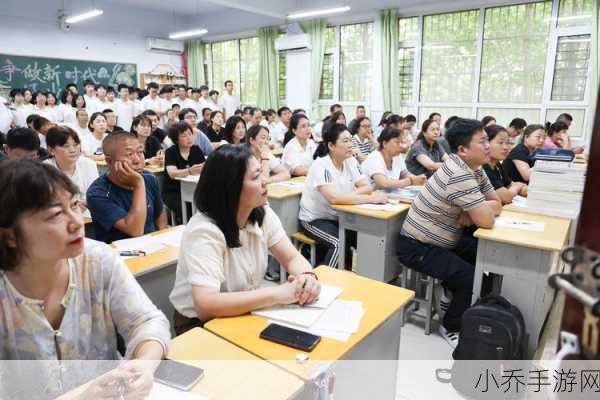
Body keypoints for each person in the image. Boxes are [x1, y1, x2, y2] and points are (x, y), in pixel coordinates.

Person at [0, 159, 170, 399]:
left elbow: (146, 321)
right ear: (9, 237)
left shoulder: (97, 259)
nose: (77, 222)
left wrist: (144, 363)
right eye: (56, 214)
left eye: (75, 205)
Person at [168, 145, 321, 333]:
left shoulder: (261, 212)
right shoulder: (204, 231)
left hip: (243, 311)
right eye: (256, 177)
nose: (265, 180)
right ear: (231, 187)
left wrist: (307, 278)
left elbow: (291, 258)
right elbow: (206, 306)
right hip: (198, 325)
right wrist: (276, 294)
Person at [397, 118, 502, 348]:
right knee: (469, 277)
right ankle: (451, 324)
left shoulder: (475, 168)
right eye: (482, 141)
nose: (488, 146)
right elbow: (486, 220)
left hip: (444, 240)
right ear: (463, 150)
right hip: (417, 246)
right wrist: (479, 210)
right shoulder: (459, 174)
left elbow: (497, 203)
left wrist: (477, 210)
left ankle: (455, 295)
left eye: (487, 141)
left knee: (490, 258)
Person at [299, 123, 387, 267]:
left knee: (366, 237)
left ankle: (354, 277)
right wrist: (371, 199)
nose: (350, 145)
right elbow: (334, 199)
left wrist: (346, 196)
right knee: (339, 243)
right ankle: (326, 284)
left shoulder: (350, 161)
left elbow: (366, 186)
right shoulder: (321, 166)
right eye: (345, 141)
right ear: (331, 146)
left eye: (350, 140)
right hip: (314, 219)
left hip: (337, 217)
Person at [86, 131, 167, 243]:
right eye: (129, 154)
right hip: (119, 255)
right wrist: (139, 184)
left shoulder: (149, 178)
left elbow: (160, 216)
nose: (137, 160)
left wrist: (163, 240)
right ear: (110, 161)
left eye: (140, 152)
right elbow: (135, 231)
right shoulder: (97, 193)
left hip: (152, 247)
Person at [44, 125, 99, 215]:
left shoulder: (89, 164)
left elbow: (95, 194)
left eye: (76, 144)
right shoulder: (44, 169)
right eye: (66, 146)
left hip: (87, 215)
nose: (73, 150)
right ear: (51, 150)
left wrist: (84, 203)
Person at [163, 122, 206, 224]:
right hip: (174, 191)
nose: (189, 138)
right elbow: (172, 173)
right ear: (176, 139)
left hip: (195, 188)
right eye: (184, 136)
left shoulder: (196, 149)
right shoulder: (171, 152)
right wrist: (189, 171)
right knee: (187, 209)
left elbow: (204, 167)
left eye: (190, 134)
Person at [361, 127, 427, 190]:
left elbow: (405, 174)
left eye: (402, 142)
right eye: (397, 142)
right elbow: (382, 184)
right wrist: (411, 181)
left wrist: (418, 179)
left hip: (389, 197)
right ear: (384, 143)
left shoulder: (397, 156)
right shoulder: (374, 158)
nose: (401, 146)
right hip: (370, 198)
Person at [482, 124, 527, 204]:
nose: (506, 147)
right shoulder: (482, 167)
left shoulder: (497, 165)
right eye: (500, 142)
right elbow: (506, 198)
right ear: (486, 143)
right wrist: (517, 187)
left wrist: (521, 188)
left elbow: (510, 185)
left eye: (507, 143)